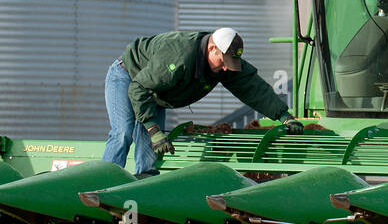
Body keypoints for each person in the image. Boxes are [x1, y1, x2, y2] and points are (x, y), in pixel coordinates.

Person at [102, 27, 295, 175]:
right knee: (123, 133)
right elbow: (140, 88)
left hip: (157, 91)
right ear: (212, 48)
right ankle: (102, 184)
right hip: (128, 75)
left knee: (151, 144)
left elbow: (253, 88)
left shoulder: (222, 62)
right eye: (224, 62)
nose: (226, 69)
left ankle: (143, 186)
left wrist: (284, 115)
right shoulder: (179, 57)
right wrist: (152, 128)